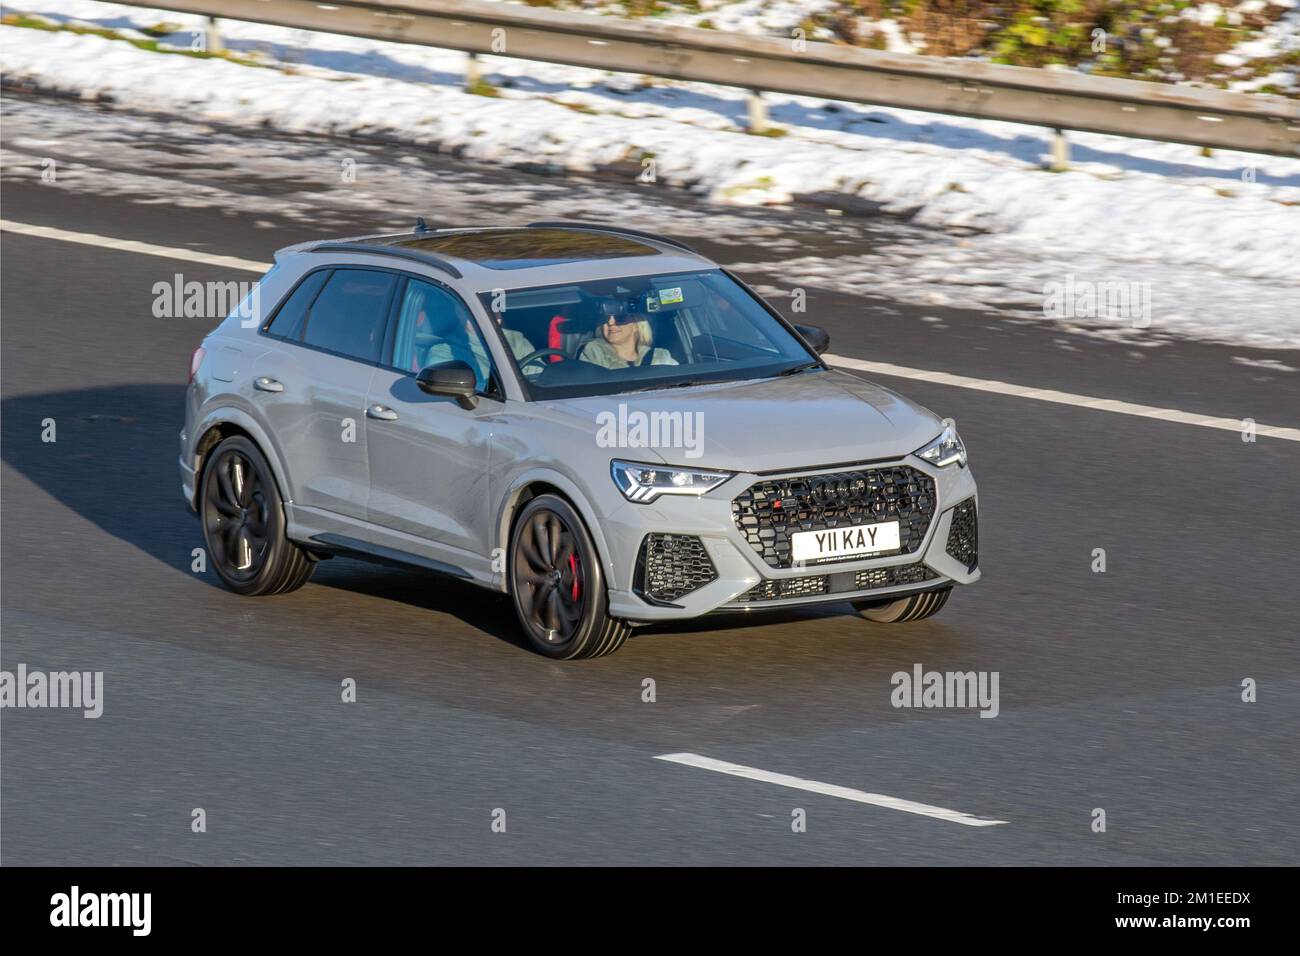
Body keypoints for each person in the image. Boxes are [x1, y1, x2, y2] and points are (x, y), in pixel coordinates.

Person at [579, 312, 677, 369]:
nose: (610, 322)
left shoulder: (659, 356)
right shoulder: (593, 351)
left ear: (636, 325)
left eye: (620, 318)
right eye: (605, 319)